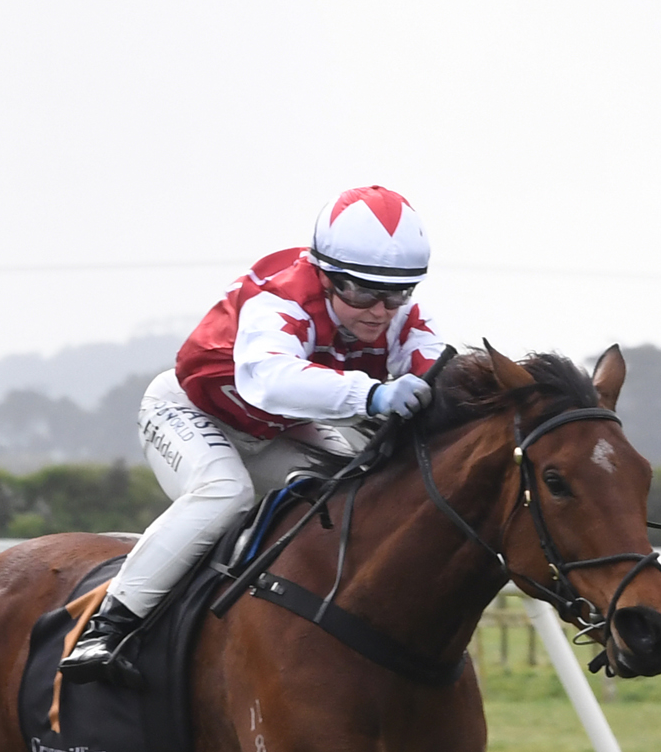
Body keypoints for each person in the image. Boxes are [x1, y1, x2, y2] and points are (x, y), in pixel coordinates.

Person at [61, 186, 447, 687]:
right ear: (326, 276)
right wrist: (373, 396)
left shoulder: (402, 318)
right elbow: (268, 380)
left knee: (356, 488)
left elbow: (444, 374)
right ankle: (108, 625)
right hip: (190, 413)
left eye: (396, 292)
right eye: (360, 291)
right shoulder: (284, 297)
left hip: (276, 433)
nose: (378, 310)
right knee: (224, 493)